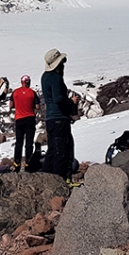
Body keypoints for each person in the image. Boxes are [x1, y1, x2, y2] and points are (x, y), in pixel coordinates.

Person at [41, 48, 77, 181]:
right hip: (59, 118)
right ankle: (61, 180)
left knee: (52, 151)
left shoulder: (45, 77)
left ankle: (46, 179)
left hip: (50, 118)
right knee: (62, 151)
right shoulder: (56, 78)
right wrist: (71, 102)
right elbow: (58, 98)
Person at [10, 75, 40, 172]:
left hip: (19, 119)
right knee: (29, 142)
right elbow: (37, 106)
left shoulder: (15, 92)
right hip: (30, 118)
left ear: (21, 82)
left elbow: (11, 105)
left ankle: (17, 164)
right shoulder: (32, 93)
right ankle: (28, 164)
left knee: (19, 142)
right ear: (29, 82)